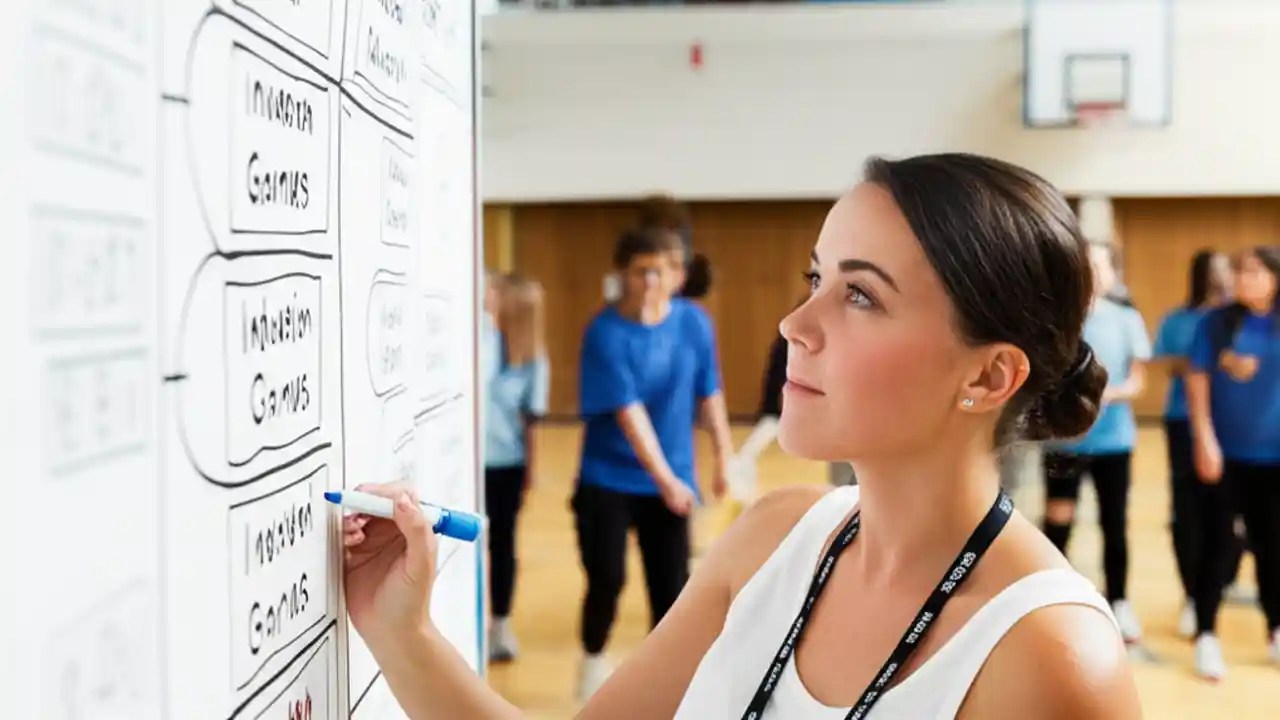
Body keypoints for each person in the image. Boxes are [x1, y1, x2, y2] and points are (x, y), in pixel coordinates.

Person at [341, 153, 1141, 719]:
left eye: (860, 296)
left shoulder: (1051, 656)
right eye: (816, 280)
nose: (796, 324)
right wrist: (398, 627)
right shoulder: (774, 536)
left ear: (988, 378)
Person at [572, 227, 732, 699]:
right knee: (608, 580)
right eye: (639, 271)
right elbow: (630, 413)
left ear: (678, 276)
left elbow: (710, 391)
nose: (648, 281)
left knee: (672, 593)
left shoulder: (694, 324)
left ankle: (666, 689)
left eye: (658, 271)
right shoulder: (605, 332)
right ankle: (591, 664)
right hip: (609, 480)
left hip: (673, 480)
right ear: (622, 274)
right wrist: (666, 480)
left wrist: (723, 457)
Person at [1039, 242, 1150, 645]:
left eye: (1099, 267)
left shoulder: (1126, 319)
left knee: (1114, 522)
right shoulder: (1057, 320)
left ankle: (1119, 601)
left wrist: (1105, 395)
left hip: (1114, 442)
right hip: (1065, 442)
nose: (1092, 274)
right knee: (1058, 520)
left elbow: (1138, 381)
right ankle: (1049, 598)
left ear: (1113, 274)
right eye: (1085, 267)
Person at [1186, 245, 1280, 681]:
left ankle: (1276, 630)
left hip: (1274, 458)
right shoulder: (1216, 323)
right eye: (1241, 270)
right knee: (1218, 545)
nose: (1245, 278)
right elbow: (1197, 377)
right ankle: (1207, 634)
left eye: (1256, 271)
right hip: (1226, 454)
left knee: (1274, 547)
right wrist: (1204, 437)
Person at [1150, 250, 1235, 638]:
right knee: (1187, 511)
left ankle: (1216, 584)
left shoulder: (1238, 319)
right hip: (1184, 421)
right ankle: (1191, 594)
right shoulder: (1178, 319)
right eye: (1215, 271)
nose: (1223, 277)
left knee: (1229, 514)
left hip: (1233, 424)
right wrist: (1202, 362)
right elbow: (1168, 363)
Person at [482, 274, 550, 662]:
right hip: (472, 462)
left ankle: (501, 623)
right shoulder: (481, 341)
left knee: (503, 543)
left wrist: (531, 470)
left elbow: (532, 419)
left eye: (494, 293)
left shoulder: (532, 358)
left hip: (506, 465)